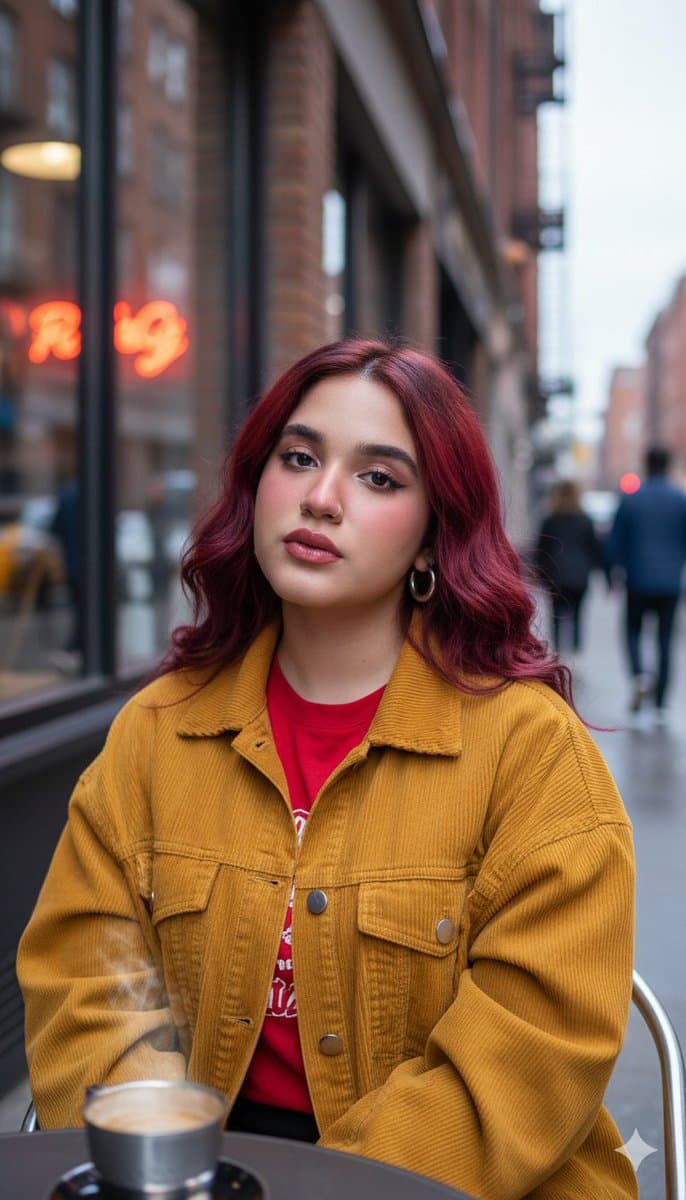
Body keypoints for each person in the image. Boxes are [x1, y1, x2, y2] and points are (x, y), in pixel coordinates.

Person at [17, 340, 636, 1200]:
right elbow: (82, 981)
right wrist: (167, 1165)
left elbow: (531, 1057)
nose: (321, 497)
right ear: (257, 483)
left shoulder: (532, 754)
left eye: (380, 478)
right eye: (300, 457)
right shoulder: (158, 731)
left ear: (434, 535)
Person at [606, 445, 686, 719]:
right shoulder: (680, 499)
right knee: (665, 640)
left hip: (637, 580)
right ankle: (661, 701)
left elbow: (614, 541)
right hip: (670, 583)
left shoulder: (631, 499)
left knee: (632, 632)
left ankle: (640, 676)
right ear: (668, 465)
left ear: (646, 463)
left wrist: (610, 575)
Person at [535, 479, 606, 664]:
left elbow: (541, 550)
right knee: (578, 616)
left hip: (555, 576)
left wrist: (541, 575)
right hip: (579, 577)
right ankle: (575, 656)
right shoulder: (585, 521)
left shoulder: (550, 520)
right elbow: (595, 550)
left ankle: (558, 656)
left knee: (556, 616)